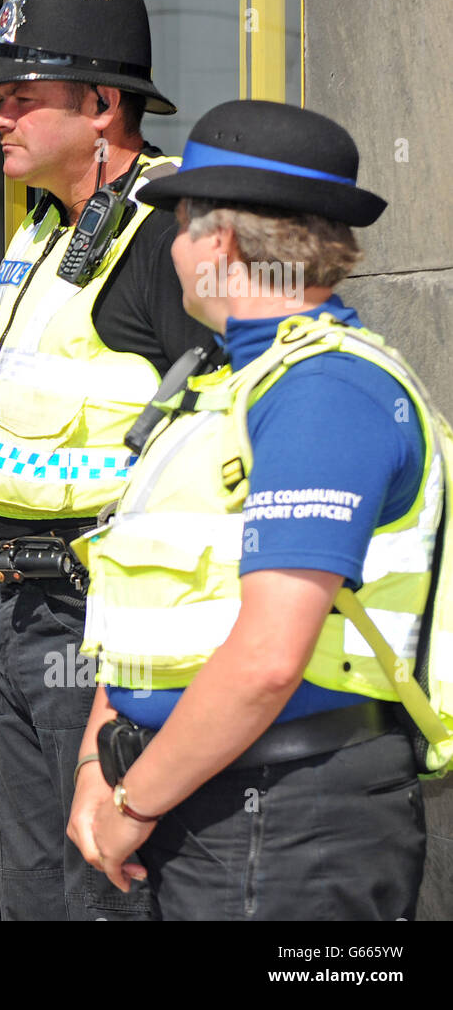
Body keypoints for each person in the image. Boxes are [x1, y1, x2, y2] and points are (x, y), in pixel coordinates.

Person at [68, 99, 431, 920]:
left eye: (179, 225)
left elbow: (268, 658)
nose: (172, 247)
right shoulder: (226, 386)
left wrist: (132, 803)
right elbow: (147, 608)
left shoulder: (324, 392)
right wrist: (98, 764)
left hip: (290, 818)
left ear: (221, 244)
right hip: (200, 799)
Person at [0, 0, 211, 920]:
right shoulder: (44, 229)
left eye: (22, 95)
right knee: (33, 894)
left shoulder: (171, 233)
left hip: (97, 620)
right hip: (10, 605)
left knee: (102, 888)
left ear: (102, 105)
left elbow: (217, 453)